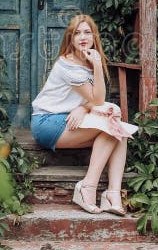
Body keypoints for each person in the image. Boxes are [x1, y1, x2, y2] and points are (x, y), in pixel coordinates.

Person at [30, 14, 131, 215]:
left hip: (66, 118)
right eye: (77, 33)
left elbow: (94, 100)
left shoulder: (87, 60)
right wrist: (97, 69)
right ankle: (87, 187)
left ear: (94, 36)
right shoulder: (68, 65)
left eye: (87, 32)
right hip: (47, 122)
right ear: (70, 38)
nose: (82, 37)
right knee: (112, 124)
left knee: (120, 133)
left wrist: (83, 107)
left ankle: (112, 194)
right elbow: (99, 99)